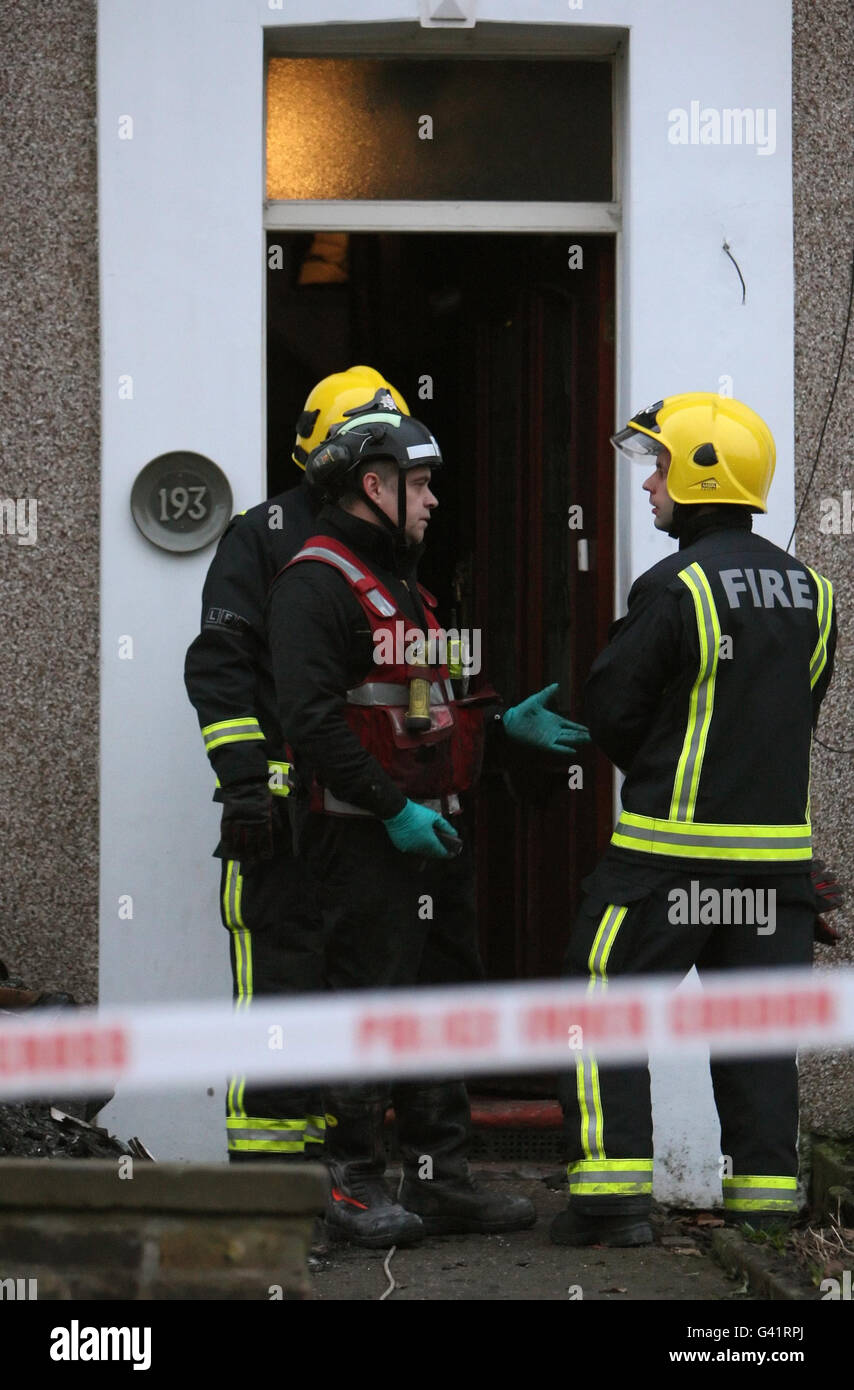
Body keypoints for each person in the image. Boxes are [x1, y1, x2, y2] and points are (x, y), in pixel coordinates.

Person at [268, 405, 590, 1246]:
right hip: (365, 840)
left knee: (444, 1003)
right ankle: (352, 1186)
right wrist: (391, 809)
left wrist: (499, 729)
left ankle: (440, 1181)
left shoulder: (406, 585)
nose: (434, 501)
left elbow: (423, 712)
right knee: (368, 1006)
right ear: (373, 486)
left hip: (431, 839)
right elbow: (310, 721)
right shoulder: (316, 583)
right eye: (421, 484)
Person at [550, 393, 836, 1248]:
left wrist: (657, 765)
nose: (650, 487)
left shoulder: (676, 586)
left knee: (597, 1003)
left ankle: (610, 1204)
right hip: (776, 874)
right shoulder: (816, 593)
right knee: (758, 1032)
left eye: (661, 466)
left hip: (666, 863)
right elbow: (795, 713)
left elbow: (612, 709)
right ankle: (765, 1211)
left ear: (705, 471)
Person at [184, 367, 409, 1165]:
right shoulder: (264, 533)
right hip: (278, 817)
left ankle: (334, 1187)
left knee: (343, 992)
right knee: (281, 988)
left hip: (356, 818)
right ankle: (271, 1196)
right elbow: (220, 666)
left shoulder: (390, 542)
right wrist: (246, 781)